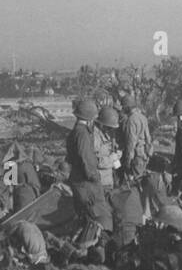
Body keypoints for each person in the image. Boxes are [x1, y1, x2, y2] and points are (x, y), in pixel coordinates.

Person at [65, 98, 113, 235]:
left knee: (86, 218)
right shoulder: (82, 134)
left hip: (79, 181)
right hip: (87, 184)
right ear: (90, 118)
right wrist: (95, 177)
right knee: (100, 217)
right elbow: (86, 158)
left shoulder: (75, 131)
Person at [121, 94, 152, 183]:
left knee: (135, 183)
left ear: (127, 107)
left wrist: (128, 161)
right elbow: (148, 138)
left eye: (123, 107)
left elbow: (131, 143)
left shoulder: (131, 120)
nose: (122, 109)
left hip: (136, 156)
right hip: (144, 154)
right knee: (141, 179)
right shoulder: (143, 117)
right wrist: (148, 153)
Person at [94, 105, 123, 189]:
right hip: (100, 182)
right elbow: (93, 161)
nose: (111, 130)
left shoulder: (108, 133)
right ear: (102, 124)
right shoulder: (95, 137)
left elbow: (111, 150)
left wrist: (117, 156)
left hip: (109, 178)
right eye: (109, 128)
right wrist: (112, 158)